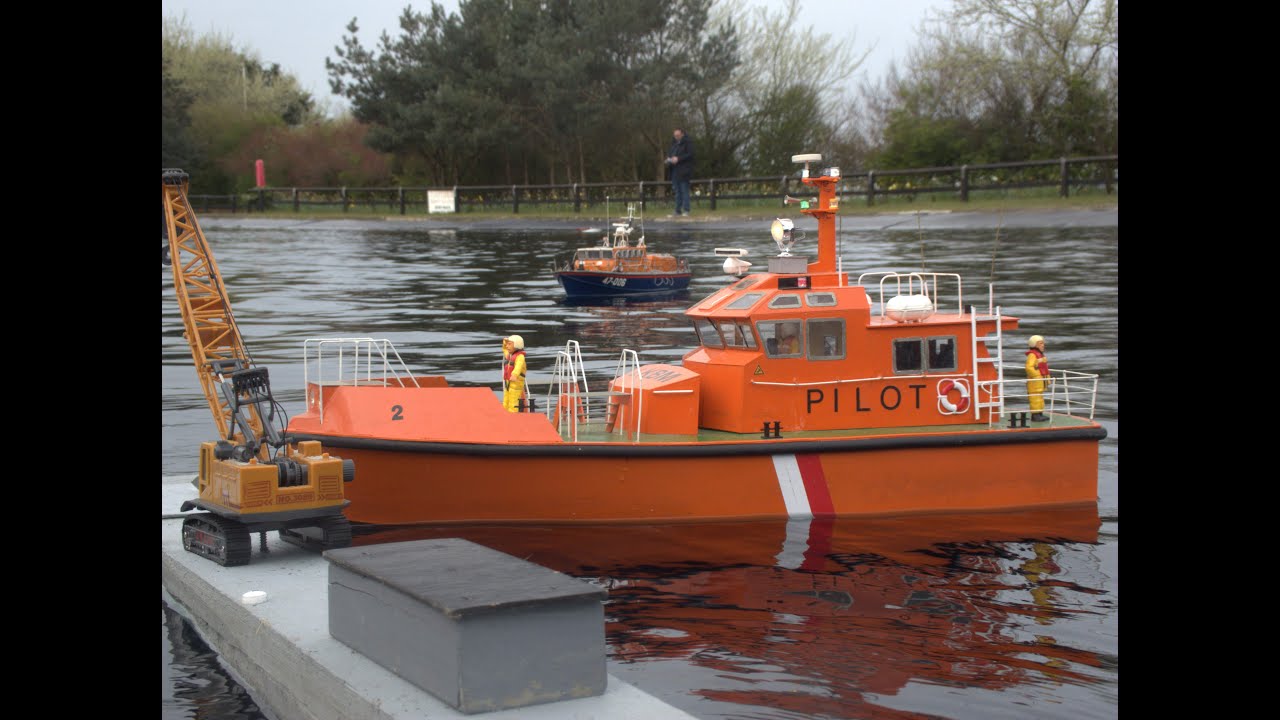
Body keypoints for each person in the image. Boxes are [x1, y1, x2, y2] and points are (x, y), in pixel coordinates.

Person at [666, 127, 694, 216]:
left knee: (684, 190)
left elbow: (690, 155)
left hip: (684, 171)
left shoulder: (688, 143)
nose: (676, 137)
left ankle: (686, 210)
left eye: (678, 135)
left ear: (682, 134)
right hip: (674, 171)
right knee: (677, 191)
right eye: (675, 136)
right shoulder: (674, 144)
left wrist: (678, 158)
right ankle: (677, 210)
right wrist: (669, 159)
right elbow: (671, 154)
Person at [1025, 334, 1050, 421]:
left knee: (1040, 398)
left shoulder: (1039, 355)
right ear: (1034, 345)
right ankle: (1035, 415)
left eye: (1043, 343)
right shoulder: (1032, 355)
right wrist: (1037, 375)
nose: (1043, 345)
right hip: (1035, 382)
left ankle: (1039, 413)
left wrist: (1046, 377)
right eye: (1040, 343)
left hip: (1040, 381)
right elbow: (1029, 367)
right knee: (1035, 398)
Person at [502, 334, 528, 412]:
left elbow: (518, 367)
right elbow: (505, 351)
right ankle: (504, 413)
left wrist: (514, 375)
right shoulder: (511, 355)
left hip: (516, 383)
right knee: (506, 399)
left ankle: (512, 417)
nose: (507, 346)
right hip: (508, 382)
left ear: (517, 345)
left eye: (509, 344)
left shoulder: (520, 357)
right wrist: (504, 344)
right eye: (507, 344)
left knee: (513, 402)